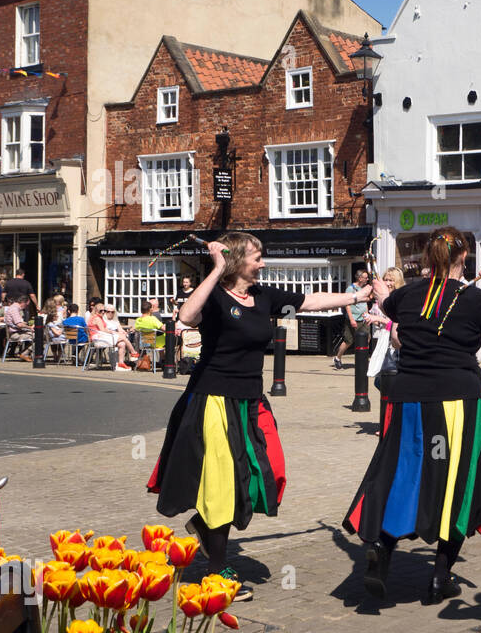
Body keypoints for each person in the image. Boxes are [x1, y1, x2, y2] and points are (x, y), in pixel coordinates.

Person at [149, 233, 374, 600]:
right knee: (221, 486)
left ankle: (204, 528)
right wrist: (217, 268)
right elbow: (187, 317)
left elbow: (310, 300)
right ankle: (216, 570)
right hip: (214, 401)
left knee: (266, 474)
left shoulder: (264, 296)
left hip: (252, 401)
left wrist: (356, 297)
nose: (263, 264)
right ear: (236, 260)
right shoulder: (216, 297)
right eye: (257, 257)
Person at [344, 227, 481, 603]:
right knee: (459, 483)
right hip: (457, 401)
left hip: (409, 401)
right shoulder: (473, 299)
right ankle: (439, 577)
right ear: (463, 258)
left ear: (429, 259)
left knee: (403, 474)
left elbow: (398, 336)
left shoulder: (407, 295)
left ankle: (381, 552)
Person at [332, 269, 371, 369]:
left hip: (363, 319)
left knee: (367, 339)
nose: (367, 279)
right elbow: (347, 305)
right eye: (365, 277)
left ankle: (363, 360)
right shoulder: (351, 289)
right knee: (349, 341)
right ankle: (337, 358)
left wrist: (367, 314)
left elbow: (365, 303)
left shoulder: (364, 289)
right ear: (359, 278)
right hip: (353, 319)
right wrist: (351, 319)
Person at [88, 302, 138, 370]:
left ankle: (120, 363)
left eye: (104, 310)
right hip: (99, 339)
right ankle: (133, 352)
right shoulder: (97, 318)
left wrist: (119, 332)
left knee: (122, 343)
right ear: (96, 311)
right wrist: (114, 332)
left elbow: (111, 329)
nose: (103, 312)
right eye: (101, 311)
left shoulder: (100, 318)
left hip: (103, 337)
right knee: (123, 337)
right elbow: (103, 330)